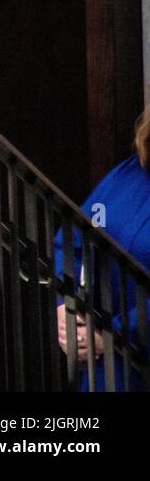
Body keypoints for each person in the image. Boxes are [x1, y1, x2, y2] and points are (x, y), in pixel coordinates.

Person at [53, 106, 150, 390]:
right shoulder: (129, 174)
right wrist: (67, 307)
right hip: (108, 365)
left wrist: (112, 332)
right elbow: (73, 241)